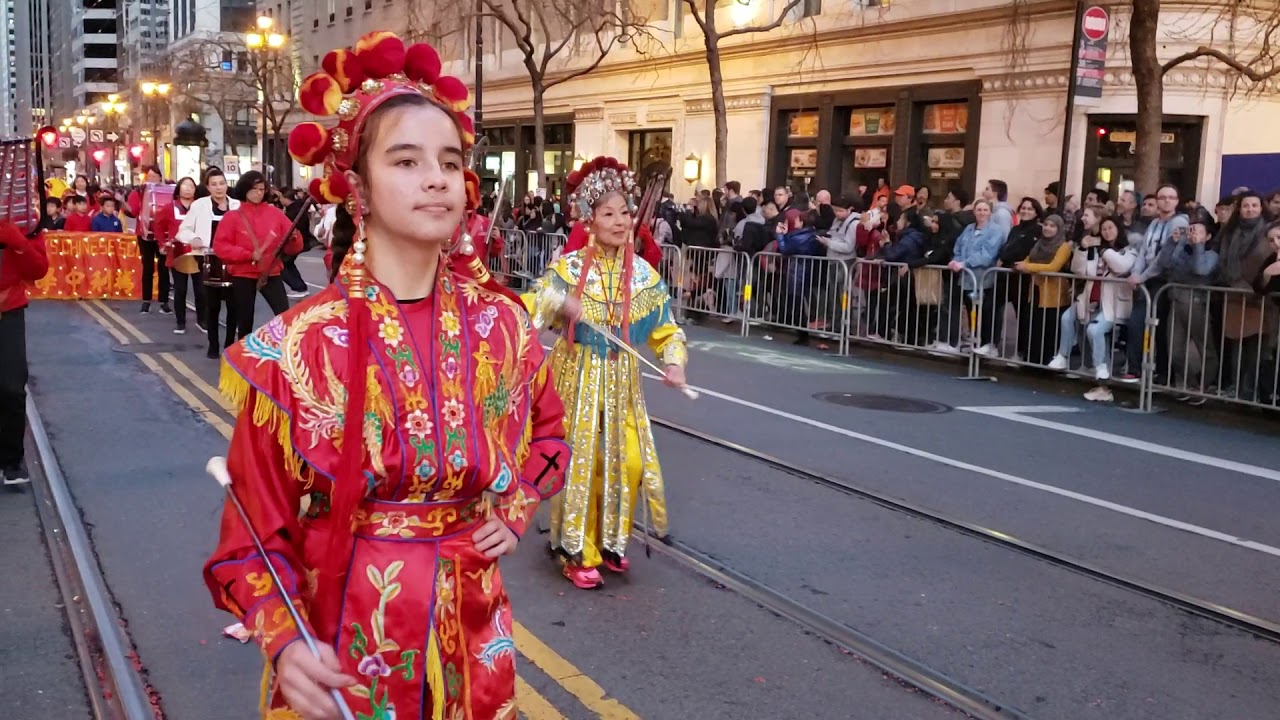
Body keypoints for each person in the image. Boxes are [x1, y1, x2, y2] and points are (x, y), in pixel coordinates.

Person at [204, 31, 568, 720]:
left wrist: (516, 510)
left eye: (450, 161)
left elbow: (551, 433)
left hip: (476, 637)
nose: (437, 178)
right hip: (349, 643)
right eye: (406, 160)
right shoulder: (300, 347)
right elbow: (251, 531)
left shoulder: (505, 326)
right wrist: (284, 642)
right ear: (356, 186)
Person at [524, 155, 690, 590]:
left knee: (628, 460)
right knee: (583, 461)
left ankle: (613, 541)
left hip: (622, 381)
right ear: (590, 221)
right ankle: (575, 546)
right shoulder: (570, 270)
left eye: (625, 213)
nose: (620, 221)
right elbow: (529, 311)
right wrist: (559, 303)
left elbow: (666, 328)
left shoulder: (645, 275)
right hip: (576, 375)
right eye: (609, 214)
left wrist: (673, 361)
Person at [212, 170, 303, 342]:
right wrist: (247, 254)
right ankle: (243, 357)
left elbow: (293, 248)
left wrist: (294, 239)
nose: (258, 193)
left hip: (271, 272)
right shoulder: (232, 217)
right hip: (243, 275)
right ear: (244, 190)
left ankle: (285, 352)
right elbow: (220, 247)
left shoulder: (276, 214)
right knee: (244, 321)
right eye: (254, 189)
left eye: (262, 189)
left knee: (285, 316)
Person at [0, 221, 50, 484]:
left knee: (11, 387)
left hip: (8, 311)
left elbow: (39, 269)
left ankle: (10, 460)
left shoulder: (25, 220)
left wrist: (17, 242)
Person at [177, 168, 240, 357]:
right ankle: (213, 345)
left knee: (234, 306)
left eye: (221, 183)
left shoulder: (237, 205)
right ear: (207, 187)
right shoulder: (199, 205)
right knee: (212, 306)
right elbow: (183, 230)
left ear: (226, 184)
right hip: (208, 260)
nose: (218, 188)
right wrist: (194, 238)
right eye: (214, 184)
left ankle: (230, 344)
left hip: (233, 261)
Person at [152, 177, 205, 335]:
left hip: (198, 252)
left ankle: (202, 321)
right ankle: (180, 322)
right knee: (180, 290)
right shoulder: (170, 208)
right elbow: (157, 225)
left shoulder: (201, 207)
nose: (188, 189)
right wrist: (162, 243)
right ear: (179, 189)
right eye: (185, 186)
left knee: (201, 290)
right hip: (178, 253)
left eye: (191, 186)